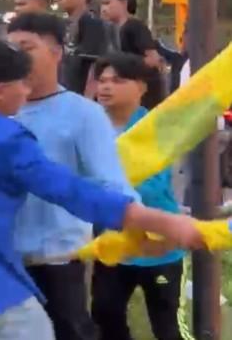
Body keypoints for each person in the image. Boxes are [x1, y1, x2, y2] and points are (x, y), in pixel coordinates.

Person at [0, 40, 204, 340]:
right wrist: (152, 219)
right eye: (22, 83)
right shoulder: (9, 139)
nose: (27, 91)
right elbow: (68, 190)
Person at [7, 13, 138, 340]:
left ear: (56, 53)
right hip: (0, 255)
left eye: (27, 48)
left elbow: (111, 180)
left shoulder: (84, 114)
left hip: (58, 257)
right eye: (11, 49)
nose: (16, 58)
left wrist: (139, 222)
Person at [90, 52, 184, 340]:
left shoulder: (154, 129)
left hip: (158, 247)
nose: (106, 87)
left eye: (117, 81)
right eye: (102, 80)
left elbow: (150, 186)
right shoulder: (90, 128)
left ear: (141, 87)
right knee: (105, 314)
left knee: (166, 326)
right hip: (114, 247)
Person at [56, 0, 108, 95]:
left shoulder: (92, 23)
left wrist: (87, 99)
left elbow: (94, 65)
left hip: (80, 95)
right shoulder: (63, 25)